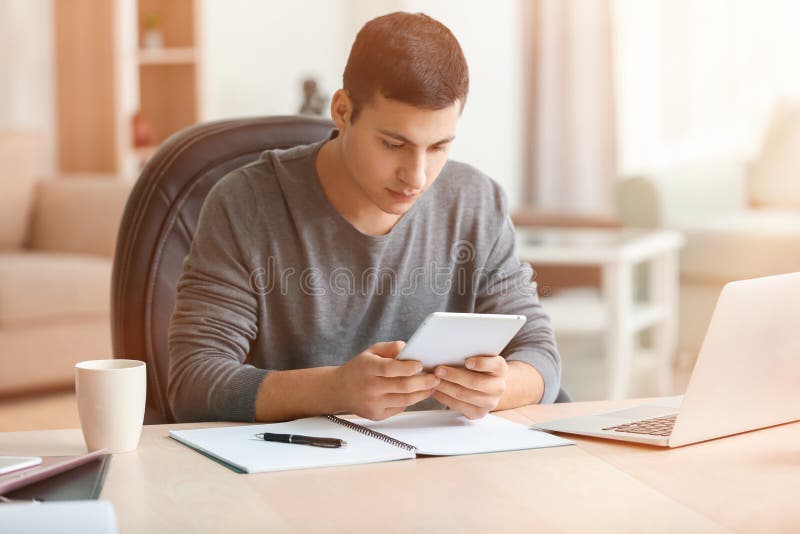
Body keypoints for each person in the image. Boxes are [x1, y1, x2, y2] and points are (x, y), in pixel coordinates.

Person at [168, 12, 560, 423]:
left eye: (439, 147)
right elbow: (193, 384)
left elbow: (540, 357)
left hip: (441, 468)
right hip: (300, 469)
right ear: (342, 111)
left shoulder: (476, 201)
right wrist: (335, 390)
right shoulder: (245, 204)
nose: (417, 175)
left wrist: (499, 389)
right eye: (394, 144)